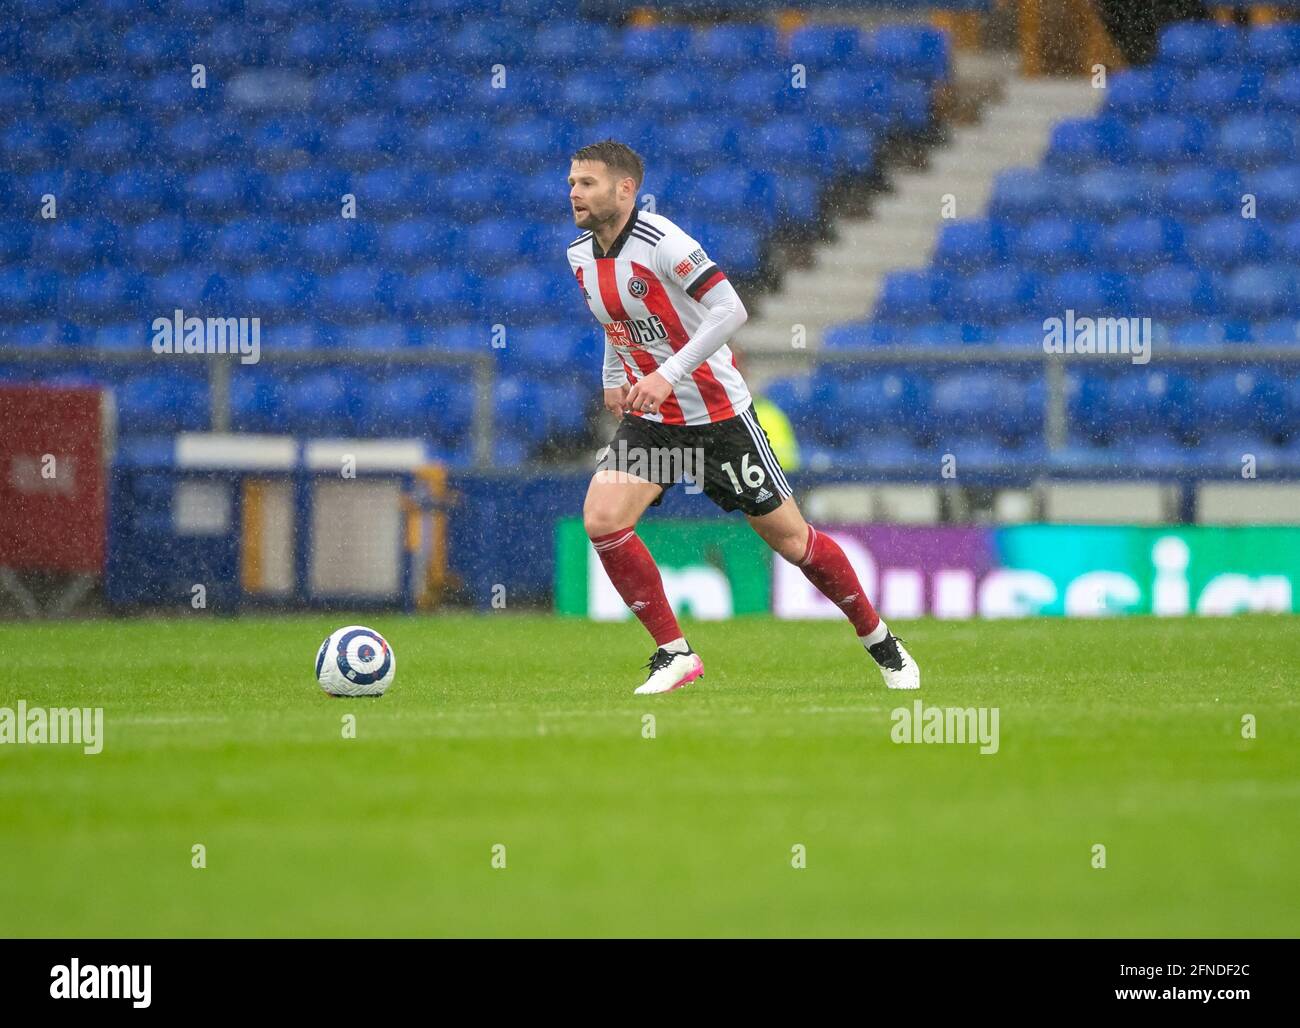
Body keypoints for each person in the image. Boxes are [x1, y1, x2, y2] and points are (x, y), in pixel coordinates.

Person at [566, 140, 918, 695]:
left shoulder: (664, 242)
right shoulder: (580, 255)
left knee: (794, 543)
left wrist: (666, 375)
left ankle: (879, 639)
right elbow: (617, 320)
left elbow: (731, 309)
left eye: (587, 184)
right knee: (603, 519)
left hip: (718, 417)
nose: (575, 194)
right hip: (658, 424)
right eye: (571, 184)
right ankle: (675, 653)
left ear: (625, 189)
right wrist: (615, 374)